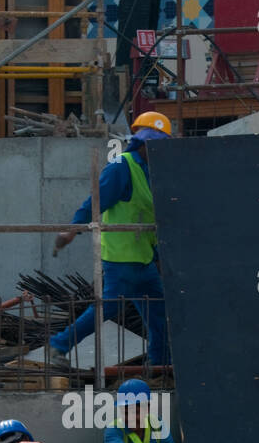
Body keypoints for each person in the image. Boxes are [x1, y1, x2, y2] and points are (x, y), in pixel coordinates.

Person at [49, 111, 173, 368]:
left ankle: (160, 365)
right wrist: (72, 230)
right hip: (120, 258)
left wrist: (158, 257)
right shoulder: (122, 166)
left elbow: (152, 221)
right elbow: (97, 200)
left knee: (160, 314)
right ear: (144, 143)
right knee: (107, 309)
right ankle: (59, 345)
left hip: (143, 260)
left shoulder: (153, 172)